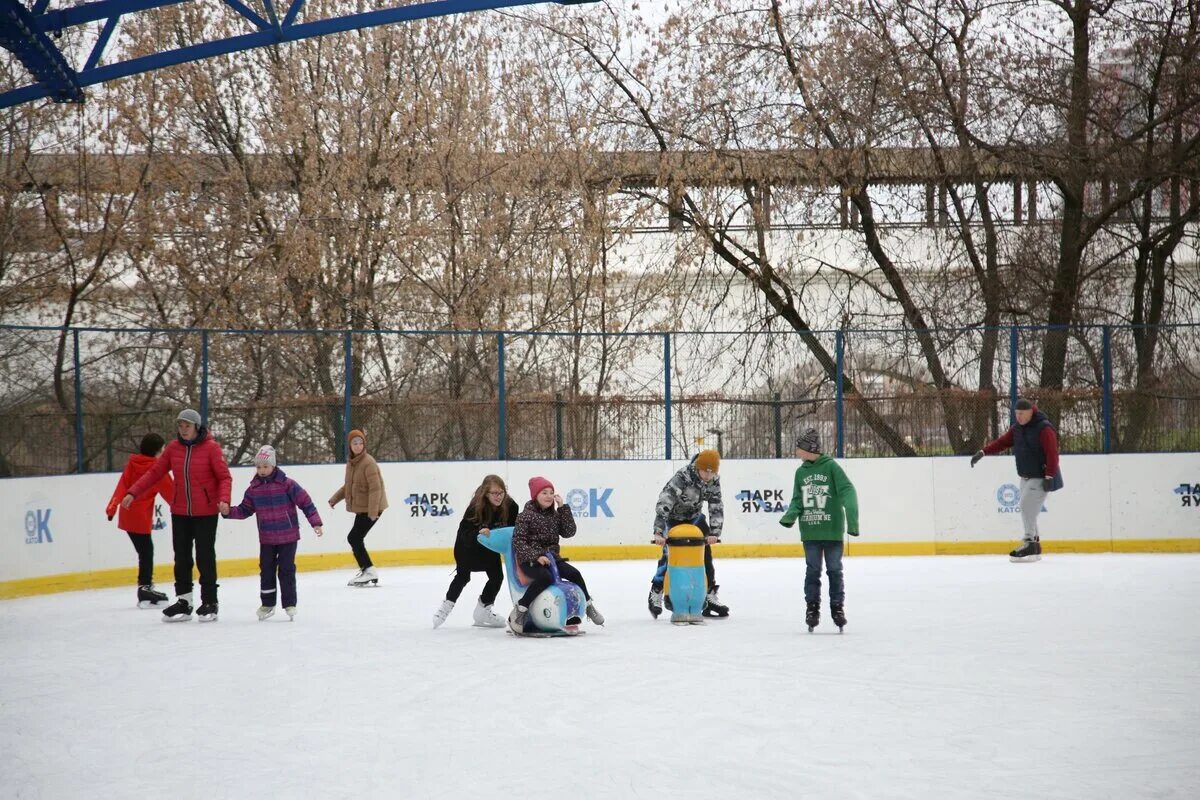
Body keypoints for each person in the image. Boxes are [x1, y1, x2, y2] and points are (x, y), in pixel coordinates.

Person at [122, 408, 231, 622]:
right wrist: (133, 492)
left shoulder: (212, 449)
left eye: (187, 426)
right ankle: (184, 601)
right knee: (181, 558)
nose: (183, 430)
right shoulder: (173, 449)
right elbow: (154, 473)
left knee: (204, 557)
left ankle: (210, 602)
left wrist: (224, 499)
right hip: (180, 511)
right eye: (180, 426)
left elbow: (224, 477)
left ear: (196, 427)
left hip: (206, 512)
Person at [224, 445, 323, 621]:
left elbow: (305, 502)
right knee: (266, 570)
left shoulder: (287, 484)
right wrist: (227, 512)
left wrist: (315, 522)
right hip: (267, 538)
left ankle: (290, 603)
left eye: (265, 466)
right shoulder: (254, 489)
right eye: (259, 467)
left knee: (286, 569)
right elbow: (244, 510)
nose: (262, 470)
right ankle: (268, 603)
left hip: (288, 536)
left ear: (273, 466)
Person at [779, 428, 859, 632]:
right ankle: (812, 608)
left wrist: (852, 521)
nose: (796, 452)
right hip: (810, 532)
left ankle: (837, 607)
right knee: (813, 571)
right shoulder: (801, 472)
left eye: (798, 448)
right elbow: (798, 499)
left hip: (832, 530)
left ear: (807, 449)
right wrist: (790, 516)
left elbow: (847, 491)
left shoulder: (831, 467)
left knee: (834, 570)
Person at [970, 397, 1063, 562]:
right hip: (1025, 476)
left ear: (1030, 412)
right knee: (1029, 510)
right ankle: (1035, 544)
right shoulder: (1017, 429)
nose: (1018, 417)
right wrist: (983, 452)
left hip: (1041, 476)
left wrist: (1049, 475)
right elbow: (1002, 443)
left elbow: (1052, 453)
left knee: (1026, 506)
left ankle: (1029, 541)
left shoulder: (1044, 428)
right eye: (1016, 414)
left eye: (1021, 414)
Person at [508, 476, 604, 632]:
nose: (548, 496)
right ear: (535, 496)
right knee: (545, 577)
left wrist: (563, 508)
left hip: (552, 558)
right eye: (544, 492)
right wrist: (536, 556)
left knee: (574, 573)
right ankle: (521, 610)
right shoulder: (525, 515)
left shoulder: (555, 515)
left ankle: (588, 605)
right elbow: (519, 542)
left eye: (551, 492)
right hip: (530, 560)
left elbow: (569, 532)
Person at [647, 449, 728, 619]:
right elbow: (665, 502)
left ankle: (708, 593)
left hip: (694, 518)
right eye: (705, 471)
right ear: (698, 467)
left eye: (712, 472)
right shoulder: (683, 476)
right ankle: (657, 590)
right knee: (669, 555)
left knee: (705, 553)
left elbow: (716, 505)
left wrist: (714, 532)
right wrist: (659, 532)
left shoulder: (713, 480)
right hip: (673, 518)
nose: (708, 476)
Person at [433, 475, 518, 629]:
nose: (498, 497)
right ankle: (446, 607)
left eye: (501, 492)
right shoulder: (476, 507)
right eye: (494, 493)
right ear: (486, 493)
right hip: (467, 547)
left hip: (489, 546)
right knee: (463, 576)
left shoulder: (511, 506)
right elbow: (465, 532)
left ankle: (483, 610)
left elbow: (512, 530)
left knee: (497, 577)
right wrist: (479, 531)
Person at [105, 432, 174, 608]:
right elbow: (172, 494)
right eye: (163, 449)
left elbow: (122, 485)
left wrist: (112, 508)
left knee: (145, 552)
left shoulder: (133, 463)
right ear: (158, 451)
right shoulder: (157, 468)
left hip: (127, 516)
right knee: (146, 553)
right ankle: (145, 590)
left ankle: (145, 588)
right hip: (140, 517)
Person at [329, 429, 388, 587]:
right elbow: (348, 486)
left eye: (360, 442)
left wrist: (373, 512)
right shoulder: (352, 463)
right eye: (354, 443)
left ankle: (368, 570)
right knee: (355, 538)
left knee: (354, 538)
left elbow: (376, 489)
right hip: (364, 508)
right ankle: (367, 569)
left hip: (372, 508)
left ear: (364, 444)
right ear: (349, 445)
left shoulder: (368, 462)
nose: (358, 445)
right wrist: (335, 498)